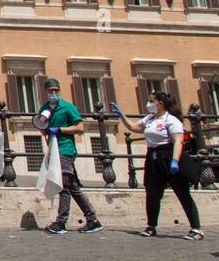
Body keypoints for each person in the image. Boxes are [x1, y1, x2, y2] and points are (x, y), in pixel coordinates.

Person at [112, 92, 201, 239]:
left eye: (151, 101)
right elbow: (134, 128)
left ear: (160, 103)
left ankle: (196, 229)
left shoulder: (171, 120)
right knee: (152, 194)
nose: (148, 104)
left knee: (183, 194)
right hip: (153, 158)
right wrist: (121, 115)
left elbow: (178, 141)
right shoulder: (150, 119)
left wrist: (175, 161)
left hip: (168, 155)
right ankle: (151, 226)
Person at [39, 78, 103, 234]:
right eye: (50, 91)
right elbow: (42, 127)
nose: (53, 93)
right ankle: (92, 219)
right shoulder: (45, 108)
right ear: (46, 92)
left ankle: (61, 222)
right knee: (73, 187)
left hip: (66, 150)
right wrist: (43, 127)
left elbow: (80, 127)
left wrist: (60, 129)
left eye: (56, 90)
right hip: (54, 150)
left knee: (65, 187)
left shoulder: (68, 107)